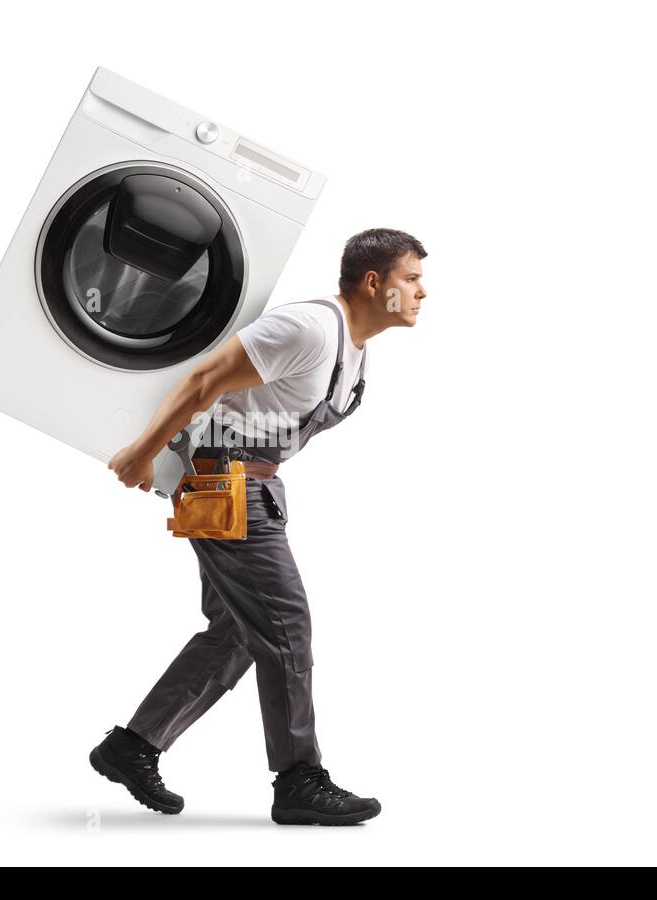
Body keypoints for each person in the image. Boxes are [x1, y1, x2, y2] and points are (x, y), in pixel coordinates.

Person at [96, 228, 428, 825]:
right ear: (374, 282)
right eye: (412, 279)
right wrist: (143, 451)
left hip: (254, 488)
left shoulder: (355, 353)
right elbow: (203, 381)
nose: (422, 293)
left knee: (240, 630)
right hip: (223, 485)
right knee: (286, 622)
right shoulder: (307, 328)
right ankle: (299, 777)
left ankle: (133, 746)